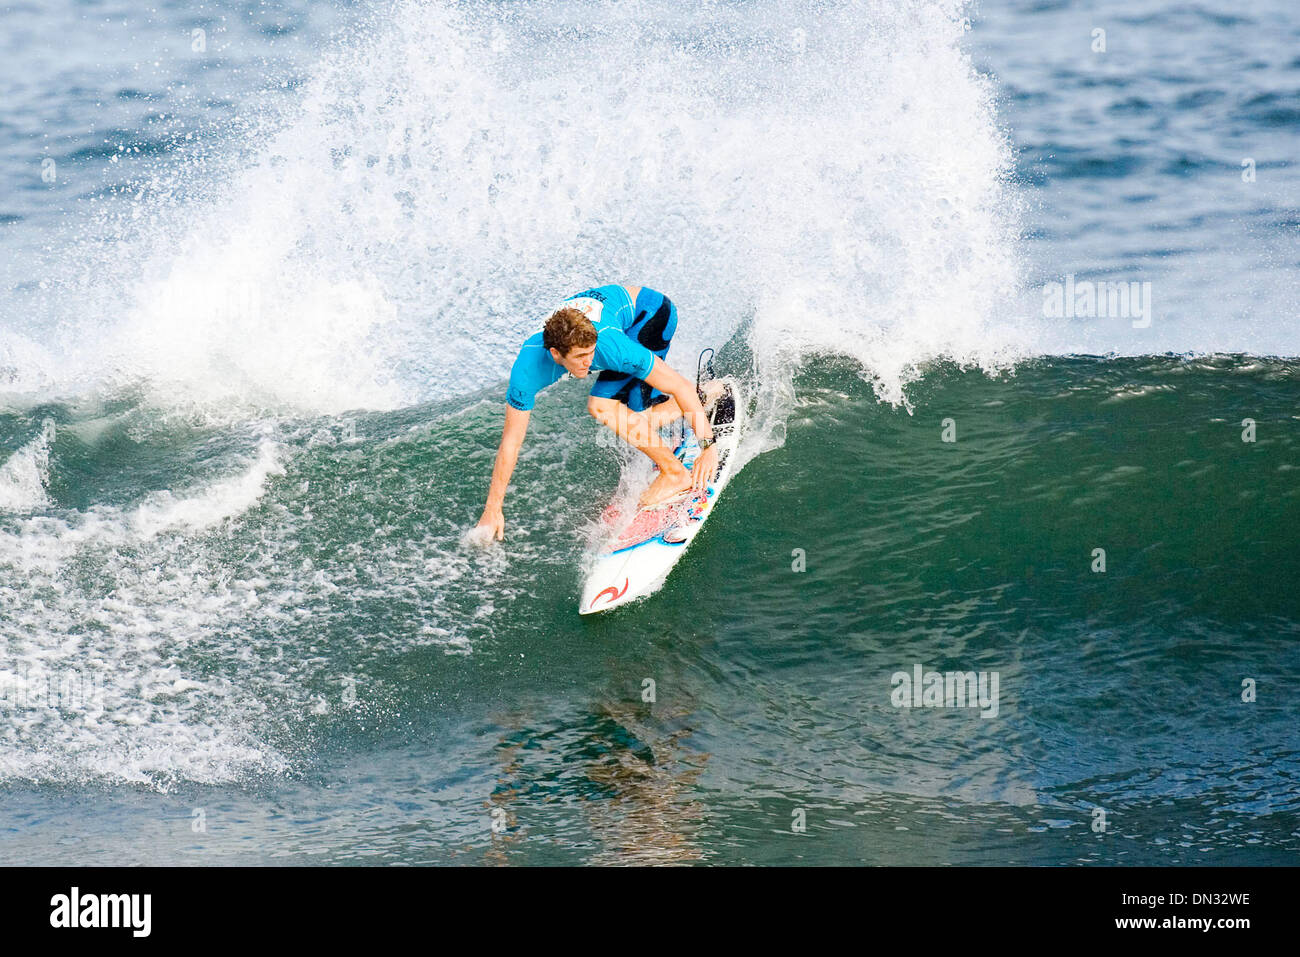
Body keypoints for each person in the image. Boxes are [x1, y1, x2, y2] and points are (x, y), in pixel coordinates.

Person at [475, 284, 722, 541]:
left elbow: (678, 384)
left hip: (650, 314)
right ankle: (703, 395)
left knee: (602, 405)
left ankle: (675, 474)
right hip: (616, 325)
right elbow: (511, 442)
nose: (589, 362)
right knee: (639, 419)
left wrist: (708, 446)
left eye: (591, 353)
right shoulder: (526, 371)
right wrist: (493, 509)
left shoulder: (608, 345)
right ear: (555, 354)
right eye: (581, 356)